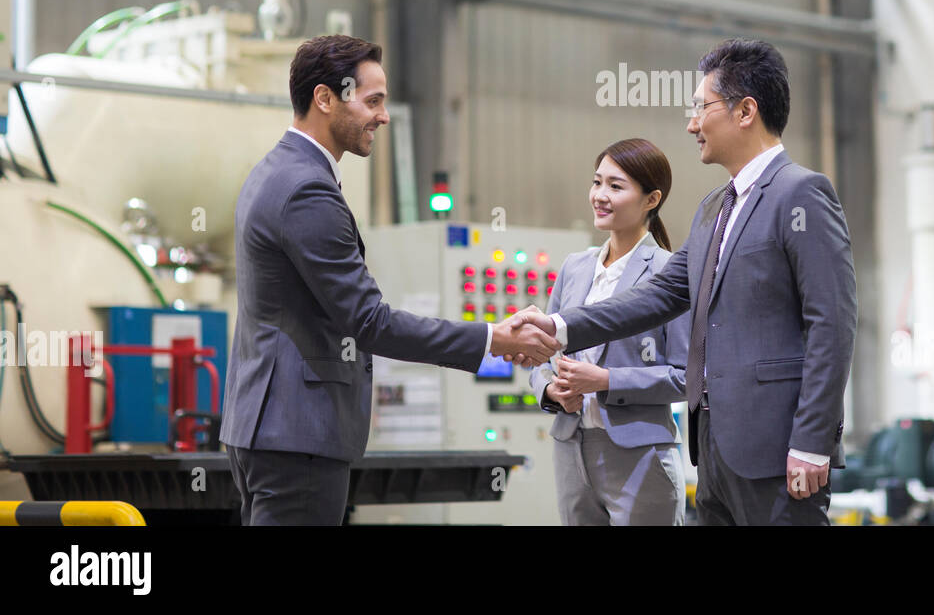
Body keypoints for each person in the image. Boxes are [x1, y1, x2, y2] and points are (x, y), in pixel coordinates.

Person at [513, 39, 857, 525]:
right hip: (714, 451)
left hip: (778, 450)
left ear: (745, 111)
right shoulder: (715, 207)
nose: (692, 123)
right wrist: (556, 325)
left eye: (701, 107)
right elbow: (656, 296)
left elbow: (833, 324)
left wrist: (812, 441)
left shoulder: (801, 193)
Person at [220, 34, 558, 525]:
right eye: (373, 100)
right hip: (298, 432)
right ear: (325, 97)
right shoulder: (306, 190)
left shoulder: (275, 172)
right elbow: (370, 322)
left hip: (271, 426)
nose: (383, 115)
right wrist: (493, 338)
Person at [530, 138, 690, 526]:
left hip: (640, 455)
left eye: (615, 187)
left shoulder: (672, 273)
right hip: (572, 447)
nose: (599, 195)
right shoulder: (574, 267)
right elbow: (542, 356)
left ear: (651, 199)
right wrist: (549, 391)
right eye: (597, 182)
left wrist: (605, 380)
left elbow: (688, 377)